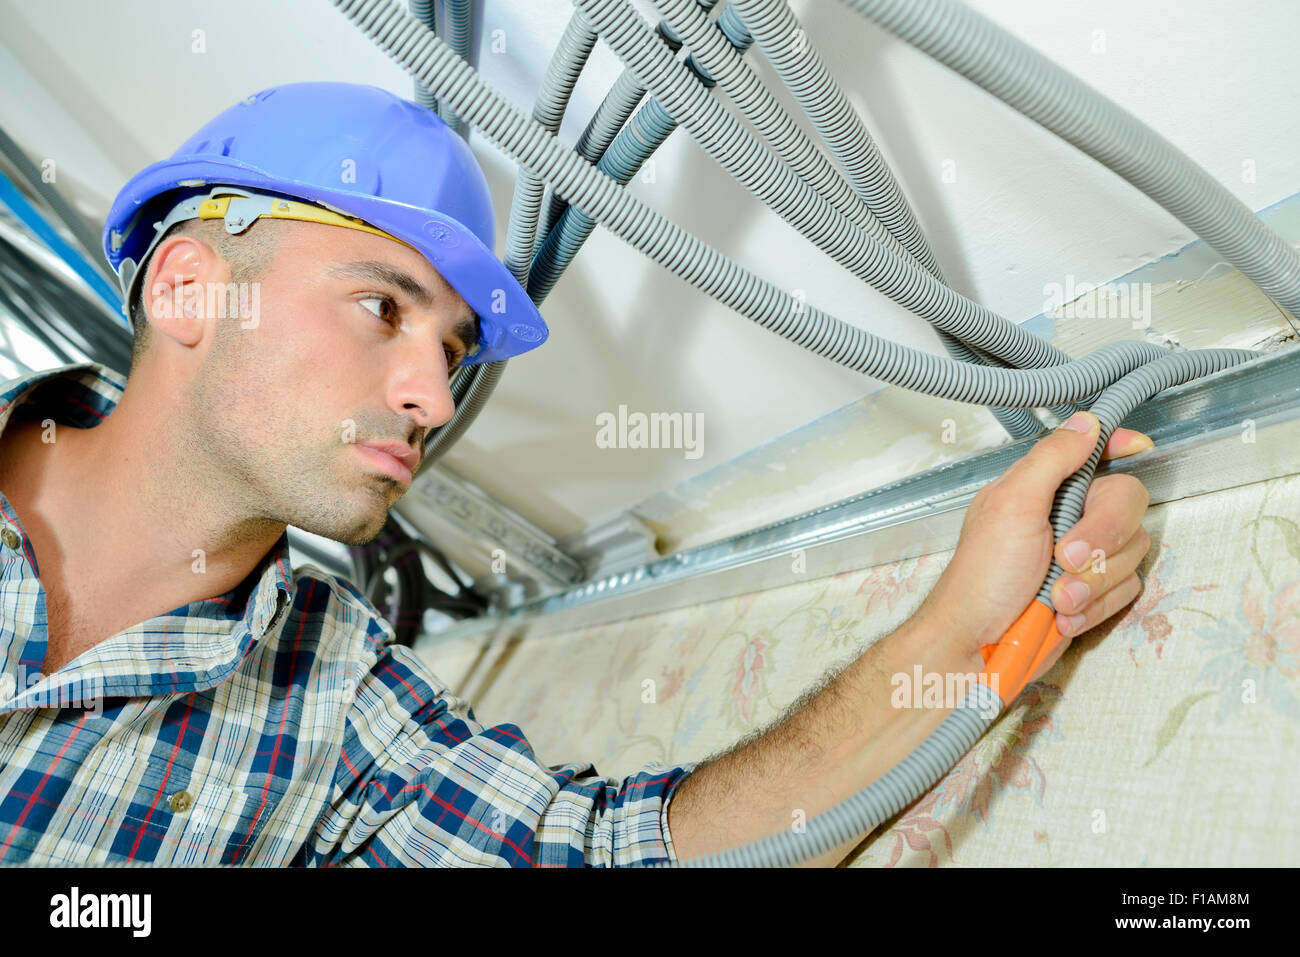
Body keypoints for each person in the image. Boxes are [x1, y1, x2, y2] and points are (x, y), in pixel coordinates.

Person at [0, 81, 1153, 867]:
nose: (436, 399)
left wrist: (960, 622)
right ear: (189, 289)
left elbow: (614, 858)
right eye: (379, 307)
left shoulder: (337, 700)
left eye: (451, 351)